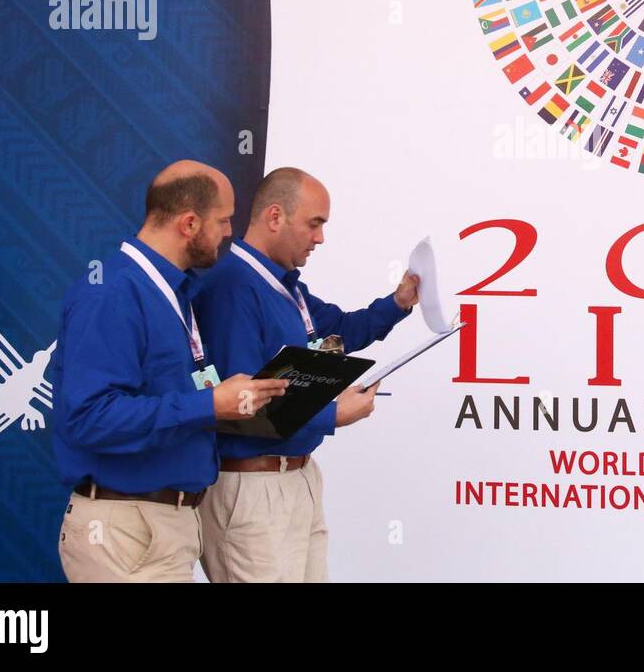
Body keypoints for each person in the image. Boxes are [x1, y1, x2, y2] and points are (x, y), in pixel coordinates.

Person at [49, 161, 289, 582]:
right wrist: (210, 405)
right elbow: (88, 418)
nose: (230, 232)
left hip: (165, 526)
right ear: (189, 223)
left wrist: (220, 401)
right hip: (125, 531)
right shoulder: (113, 292)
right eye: (223, 220)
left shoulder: (174, 292)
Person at [193, 166, 419, 582]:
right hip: (251, 485)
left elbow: (339, 332)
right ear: (275, 217)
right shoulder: (231, 288)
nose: (321, 238)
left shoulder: (286, 287)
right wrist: (333, 414)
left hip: (296, 478)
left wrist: (400, 302)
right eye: (314, 224)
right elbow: (243, 407)